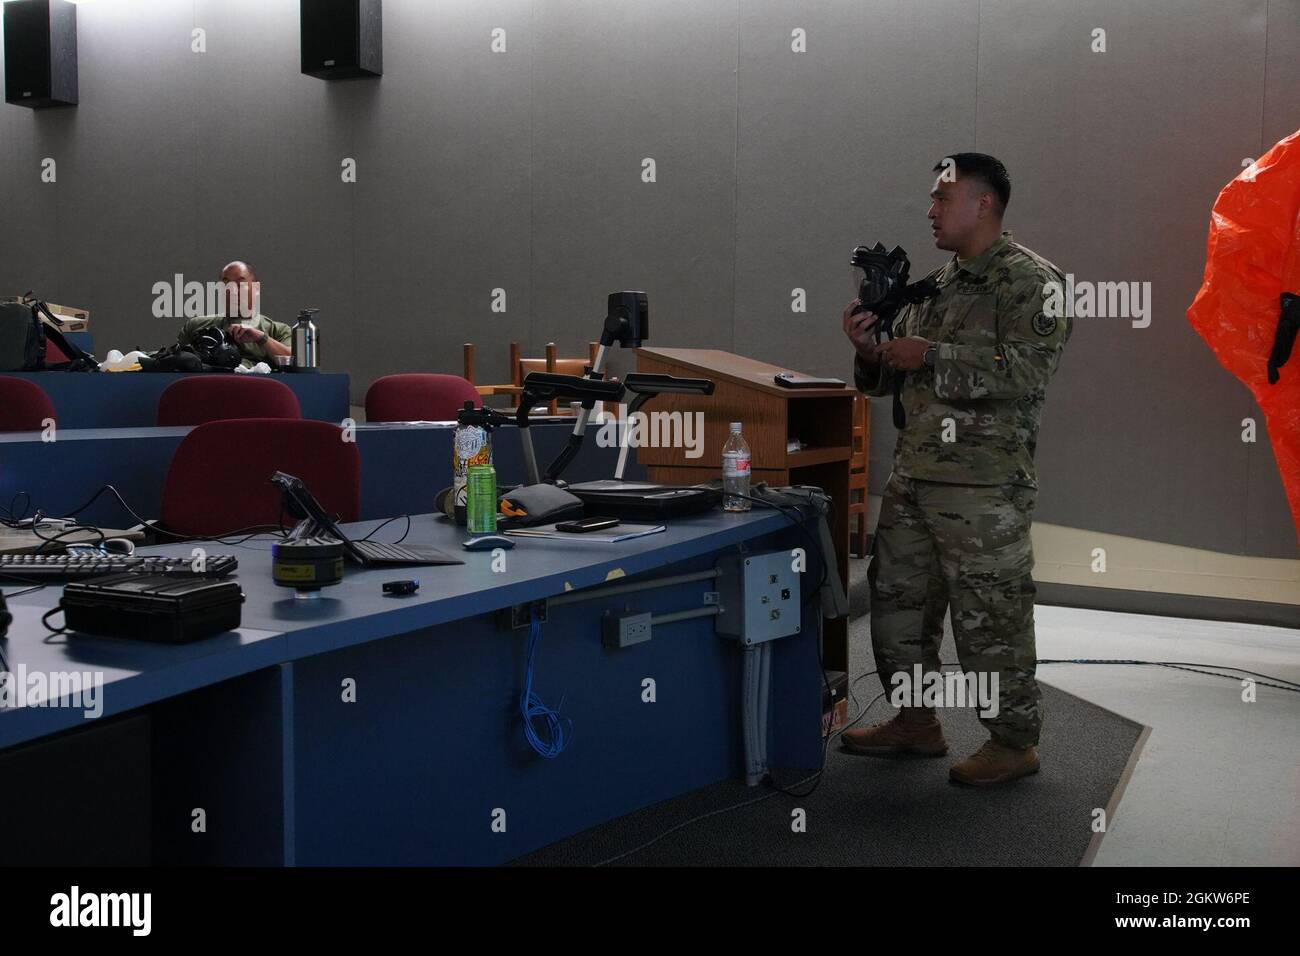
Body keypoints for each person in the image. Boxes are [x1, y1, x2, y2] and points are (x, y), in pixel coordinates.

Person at [841, 153, 1071, 786]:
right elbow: (893, 375)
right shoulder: (936, 286)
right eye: (932, 199)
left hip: (984, 490)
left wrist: (933, 354)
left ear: (984, 204)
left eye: (943, 198)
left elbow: (1027, 369)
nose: (931, 210)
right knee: (899, 610)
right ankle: (915, 721)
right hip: (914, 479)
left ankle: (1013, 741)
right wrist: (870, 352)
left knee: (990, 618)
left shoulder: (1033, 283)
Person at [177, 260, 292, 366]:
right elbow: (173, 363)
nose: (232, 291)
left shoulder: (277, 331)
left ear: (256, 288)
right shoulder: (196, 326)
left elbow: (291, 361)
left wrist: (261, 338)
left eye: (240, 284)